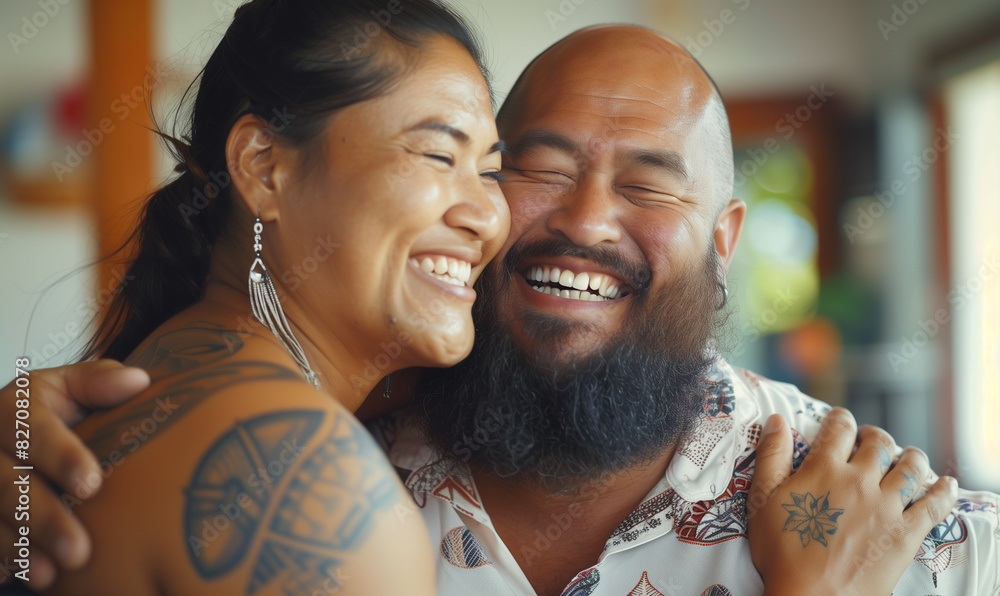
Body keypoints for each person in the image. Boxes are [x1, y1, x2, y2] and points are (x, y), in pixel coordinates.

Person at [0, 18, 981, 596]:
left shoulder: (891, 527)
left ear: (724, 239)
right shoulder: (331, 464)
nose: (583, 218)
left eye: (649, 184)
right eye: (531, 168)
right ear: (261, 167)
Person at [1, 0, 509, 594]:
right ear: (263, 167)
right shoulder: (325, 491)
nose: (486, 215)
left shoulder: (149, 384)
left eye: (491, 172)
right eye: (439, 156)